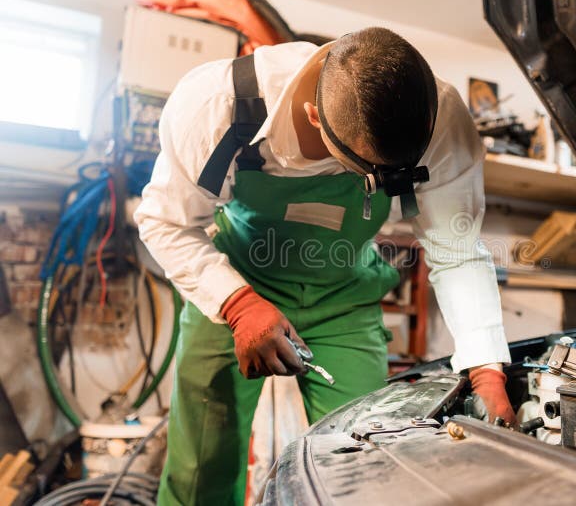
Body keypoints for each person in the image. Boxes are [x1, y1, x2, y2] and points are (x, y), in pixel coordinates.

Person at [134, 27, 514, 506]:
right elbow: (164, 224)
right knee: (201, 466)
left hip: (344, 297)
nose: (383, 186)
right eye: (371, 173)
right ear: (315, 117)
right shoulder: (216, 108)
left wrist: (486, 369)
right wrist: (238, 305)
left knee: (366, 461)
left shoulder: (443, 117)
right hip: (235, 284)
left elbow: (455, 248)